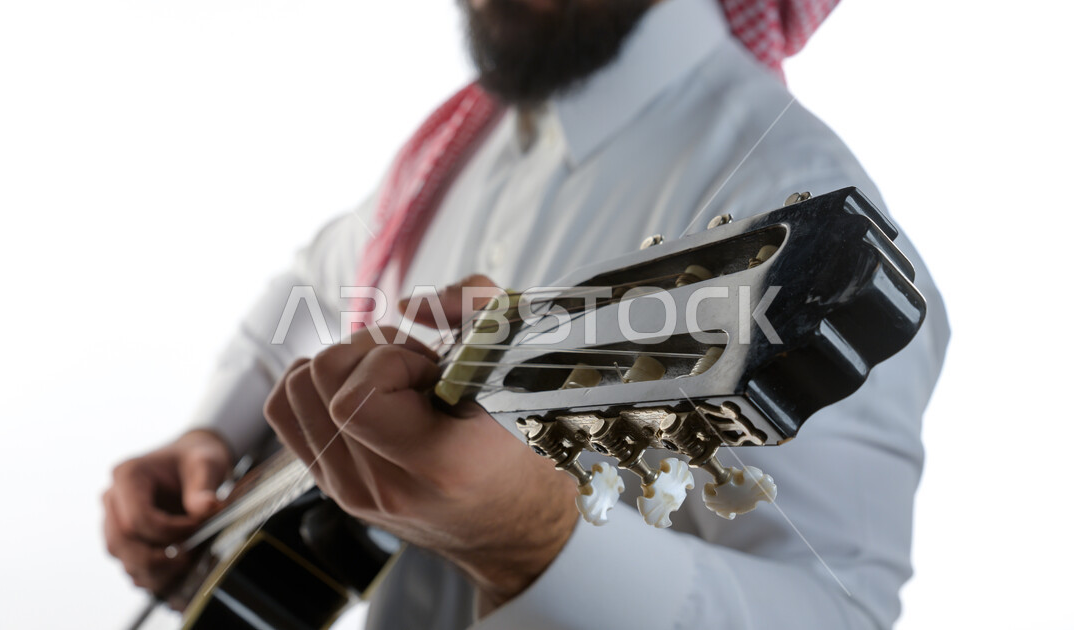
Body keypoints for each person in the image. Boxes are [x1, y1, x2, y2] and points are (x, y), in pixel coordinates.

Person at [102, 0, 950, 627]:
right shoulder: (464, 140)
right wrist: (208, 441)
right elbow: (318, 278)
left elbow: (835, 610)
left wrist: (537, 542)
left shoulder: (776, 193)